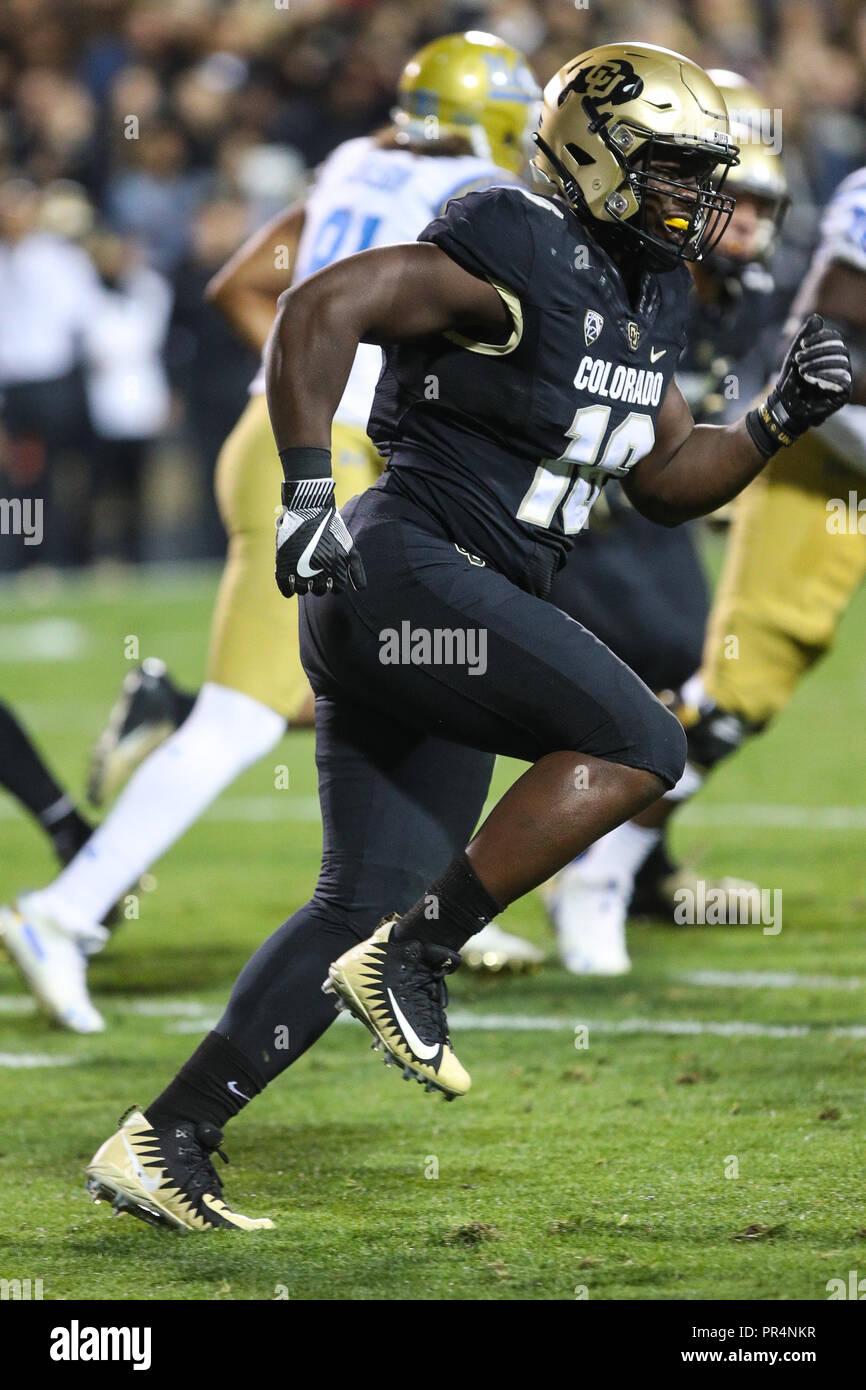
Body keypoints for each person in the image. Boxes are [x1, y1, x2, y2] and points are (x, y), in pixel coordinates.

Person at [83, 42, 851, 1233]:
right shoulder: (513, 241)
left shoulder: (645, 289)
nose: (698, 199)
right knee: (645, 739)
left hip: (446, 600)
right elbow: (316, 306)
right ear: (595, 159)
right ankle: (423, 956)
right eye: (674, 170)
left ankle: (167, 1136)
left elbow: (659, 480)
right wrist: (303, 492)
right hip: (405, 569)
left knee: (360, 904)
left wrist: (769, 422)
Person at [0, 32, 545, 1033]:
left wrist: (309, 375)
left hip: (289, 436)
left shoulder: (350, 160)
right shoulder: (485, 198)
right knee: (247, 716)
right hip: (323, 460)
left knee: (412, 679)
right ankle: (62, 913)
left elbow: (243, 284)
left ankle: (429, 912)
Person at [552, 159, 866, 960]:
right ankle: (598, 869)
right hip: (841, 463)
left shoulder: (734, 291)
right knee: (728, 692)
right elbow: (824, 347)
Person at [545, 73, 793, 973]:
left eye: (764, 206)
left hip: (633, 512)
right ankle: (527, 875)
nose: (750, 224)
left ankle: (626, 870)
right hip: (568, 508)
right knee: (655, 683)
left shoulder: (731, 294)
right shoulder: (640, 274)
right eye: (740, 203)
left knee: (678, 684)